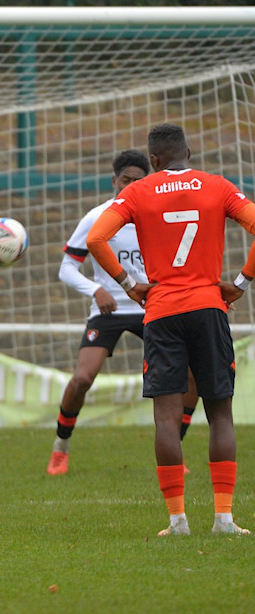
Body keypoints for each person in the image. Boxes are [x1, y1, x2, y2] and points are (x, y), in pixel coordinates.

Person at [87, 122, 255, 536]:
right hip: (208, 307)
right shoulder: (217, 186)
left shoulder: (137, 191)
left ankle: (177, 521)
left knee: (166, 416)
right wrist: (241, 283)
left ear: (155, 161)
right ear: (189, 153)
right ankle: (224, 520)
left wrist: (129, 285)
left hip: (161, 311)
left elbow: (96, 238)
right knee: (220, 414)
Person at [47, 149, 197, 476]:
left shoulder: (160, 215)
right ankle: (61, 446)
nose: (130, 186)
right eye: (125, 180)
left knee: (190, 374)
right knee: (83, 377)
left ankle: (177, 449)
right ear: (114, 181)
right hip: (110, 306)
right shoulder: (97, 217)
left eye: (137, 181)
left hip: (152, 306)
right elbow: (66, 269)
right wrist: (96, 290)